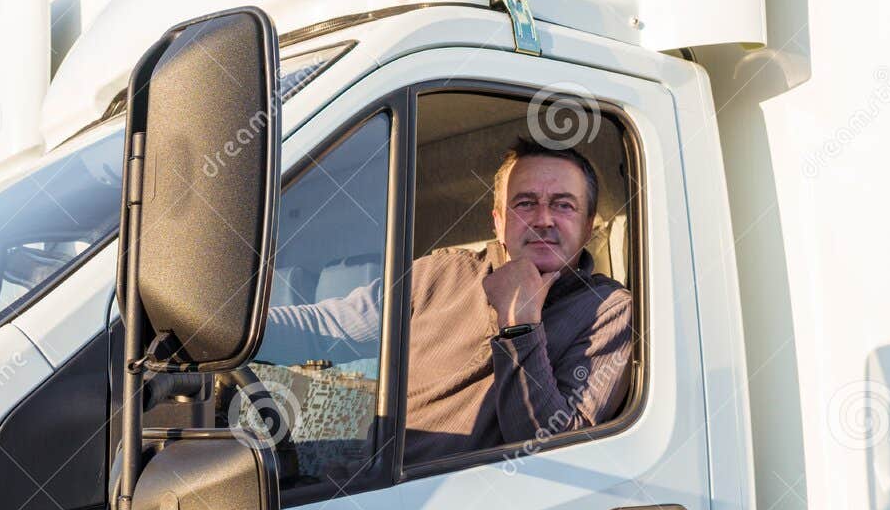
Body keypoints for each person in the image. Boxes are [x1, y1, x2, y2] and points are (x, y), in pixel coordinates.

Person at [263, 136, 633, 464]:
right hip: (375, 491)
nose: (543, 219)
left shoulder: (610, 311)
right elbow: (324, 327)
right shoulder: (439, 273)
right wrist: (223, 328)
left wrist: (519, 325)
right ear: (498, 222)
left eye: (564, 205)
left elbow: (552, 450)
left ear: (588, 226)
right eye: (525, 204)